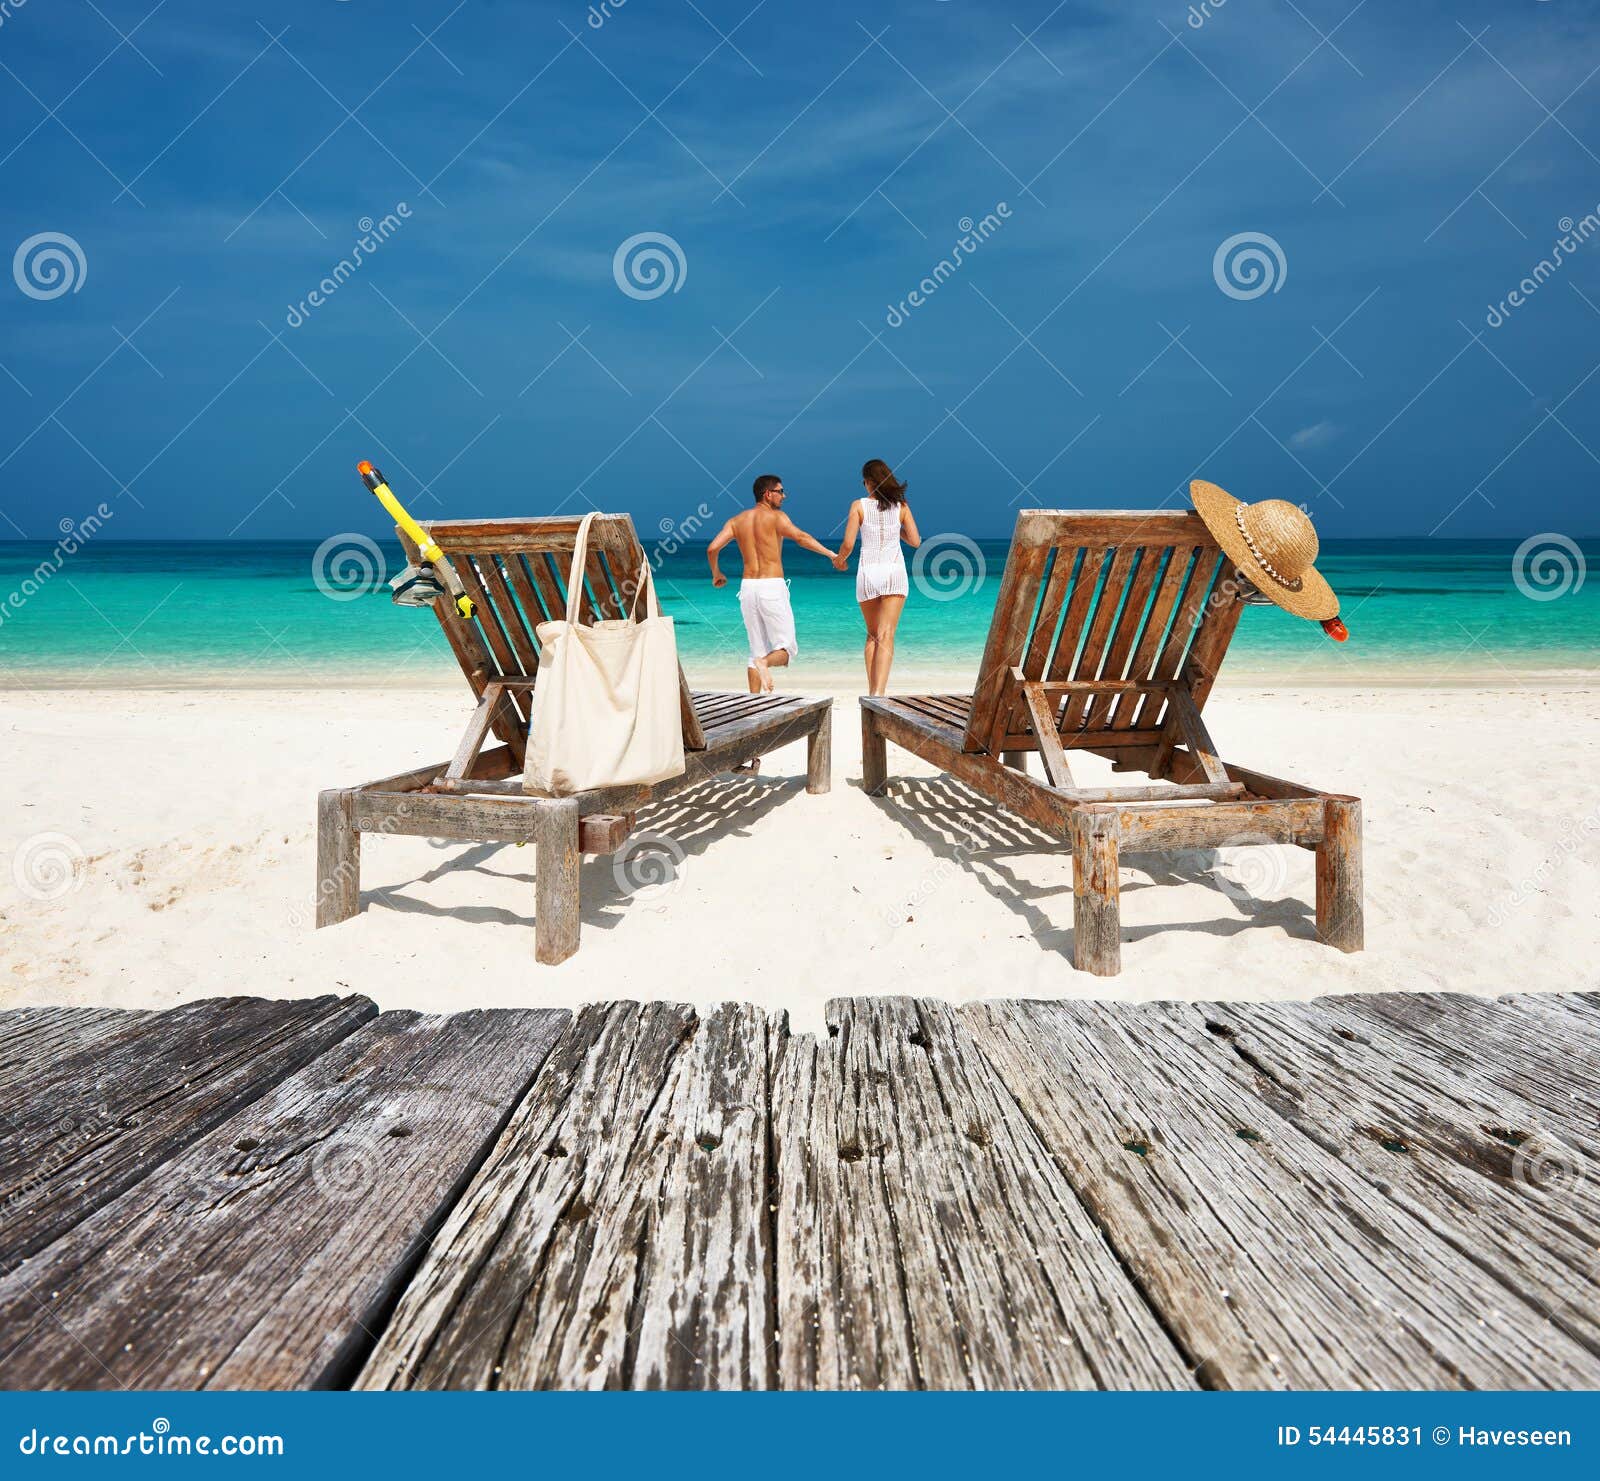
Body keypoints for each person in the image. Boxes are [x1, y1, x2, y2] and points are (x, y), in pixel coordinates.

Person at [708, 474, 840, 694]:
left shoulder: (736, 521)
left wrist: (716, 574)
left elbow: (712, 549)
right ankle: (765, 663)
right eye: (780, 491)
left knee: (755, 651)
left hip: (747, 589)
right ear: (767, 494)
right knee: (787, 649)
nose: (784, 496)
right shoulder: (776, 517)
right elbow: (801, 538)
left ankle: (753, 702)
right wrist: (830, 554)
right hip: (771, 586)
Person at [832, 458, 921, 696]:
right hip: (894, 572)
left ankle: (872, 692)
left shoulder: (858, 506)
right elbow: (915, 541)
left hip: (868, 572)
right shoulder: (901, 507)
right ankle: (878, 694)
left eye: (864, 482)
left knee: (872, 635)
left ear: (869, 482)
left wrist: (840, 560)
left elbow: (848, 544)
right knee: (886, 634)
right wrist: (895, 529)